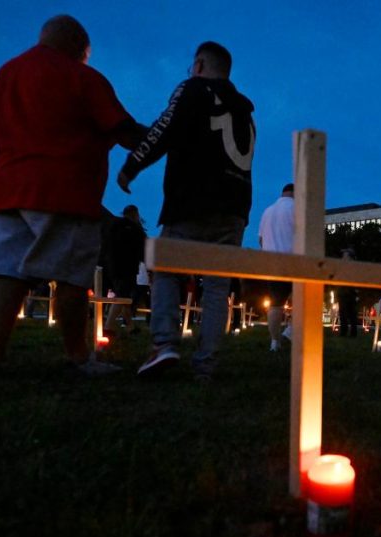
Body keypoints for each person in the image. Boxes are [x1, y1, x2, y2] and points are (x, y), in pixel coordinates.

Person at [0, 15, 145, 379]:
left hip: (7, 189)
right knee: (71, 279)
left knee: (7, 274)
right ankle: (78, 358)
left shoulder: (6, 73)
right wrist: (165, 138)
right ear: (81, 49)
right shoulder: (83, 78)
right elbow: (125, 131)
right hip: (65, 191)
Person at [119, 41, 256, 381]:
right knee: (216, 288)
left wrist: (132, 165)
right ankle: (206, 365)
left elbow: (165, 128)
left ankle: (164, 344)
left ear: (198, 65)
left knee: (165, 268)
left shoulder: (193, 89)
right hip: (235, 209)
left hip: (193, 201)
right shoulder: (246, 113)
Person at [258, 183, 295, 352]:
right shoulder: (297, 209)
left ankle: (275, 342)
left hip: (272, 263)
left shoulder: (267, 211)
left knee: (275, 304)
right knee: (305, 301)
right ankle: (290, 332)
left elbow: (260, 240)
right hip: (294, 262)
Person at [104, 204, 147, 337]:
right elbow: (142, 251)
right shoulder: (135, 230)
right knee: (122, 297)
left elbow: (107, 245)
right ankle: (108, 327)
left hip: (113, 267)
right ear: (135, 214)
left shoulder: (114, 227)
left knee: (125, 296)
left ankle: (130, 327)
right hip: (128, 268)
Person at [336, 248, 359, 337]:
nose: (342, 257)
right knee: (347, 313)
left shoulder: (349, 267)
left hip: (347, 292)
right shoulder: (352, 266)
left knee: (348, 313)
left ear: (349, 256)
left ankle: (347, 332)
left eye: (344, 255)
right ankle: (349, 332)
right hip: (346, 292)